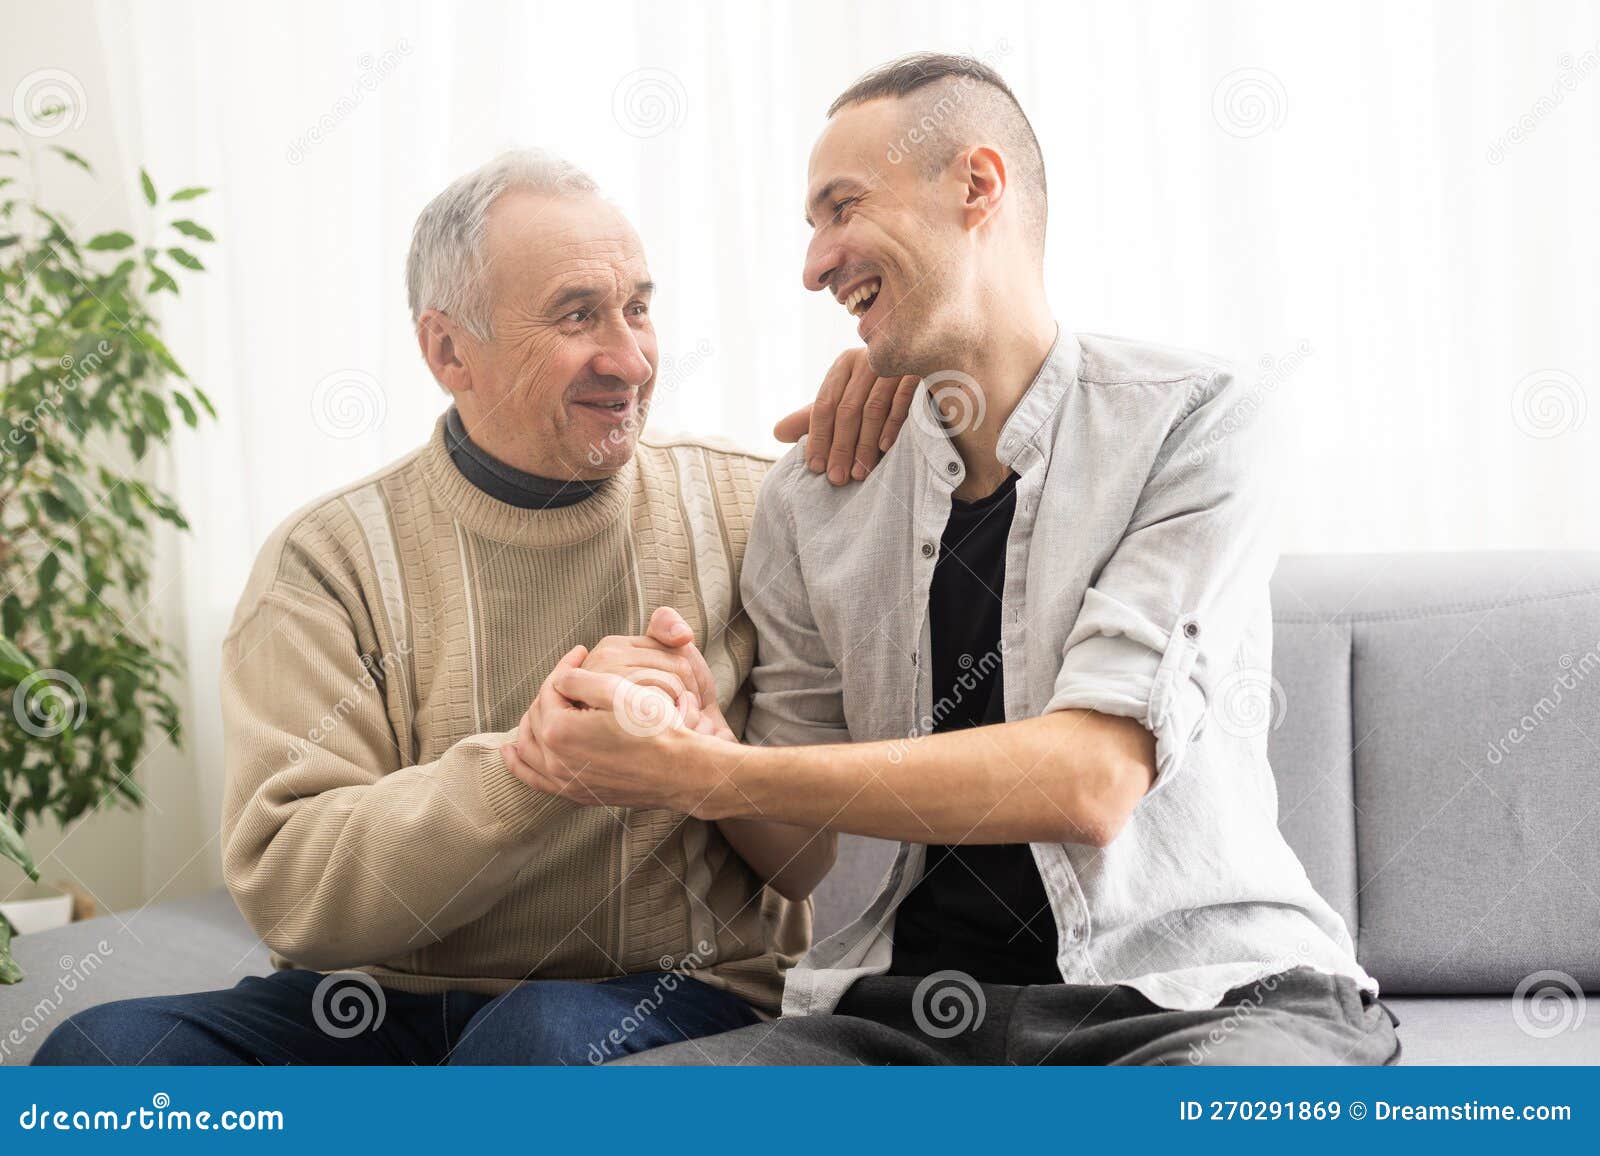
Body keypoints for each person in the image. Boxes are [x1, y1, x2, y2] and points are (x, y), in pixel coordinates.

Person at [508, 54, 1400, 1066]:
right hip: (909, 1020)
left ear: (976, 186)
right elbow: (796, 860)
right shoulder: (814, 494)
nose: (813, 264)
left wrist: (713, 770)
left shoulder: (1196, 421)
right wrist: (698, 740)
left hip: (1208, 998)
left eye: (840, 208)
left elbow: (1091, 779)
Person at [32, 149, 911, 1066]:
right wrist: (528, 770)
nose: (633, 358)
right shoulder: (324, 562)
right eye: (579, 315)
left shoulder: (751, 506)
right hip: (374, 1008)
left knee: (528, 1049)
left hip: (672, 997)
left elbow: (802, 866)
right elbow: (291, 889)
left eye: (639, 307)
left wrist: (707, 753)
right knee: (100, 1056)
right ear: (449, 350)